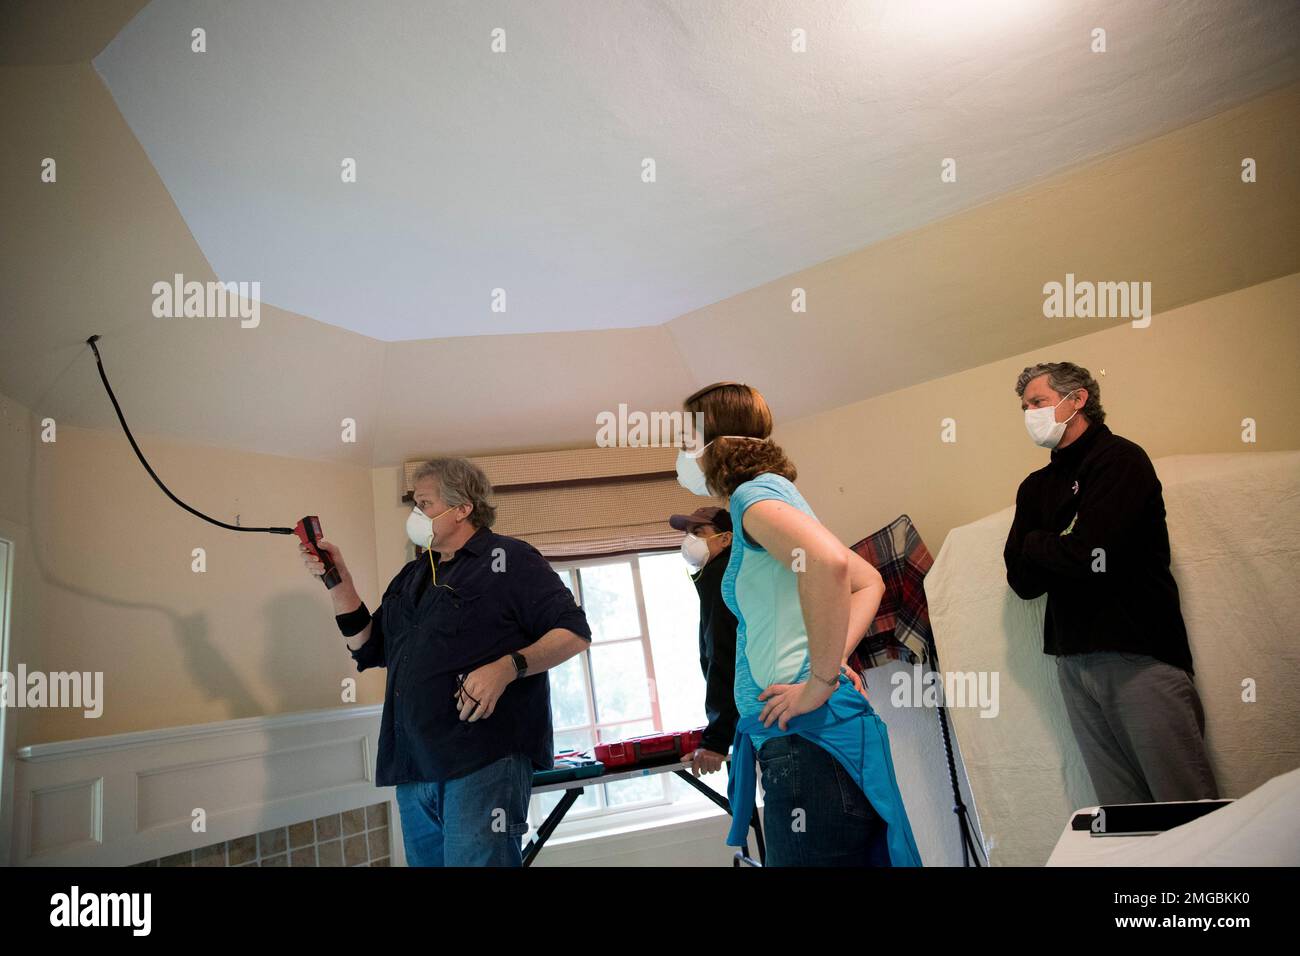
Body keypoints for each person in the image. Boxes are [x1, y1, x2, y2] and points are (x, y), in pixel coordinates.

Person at [299, 457, 591, 865]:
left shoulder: (510, 559)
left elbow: (574, 632)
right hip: (413, 765)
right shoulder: (412, 575)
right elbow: (368, 646)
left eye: (426, 503)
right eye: (414, 504)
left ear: (463, 508)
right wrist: (339, 579)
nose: (417, 514)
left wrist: (508, 667)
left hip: (483, 759)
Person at [677, 382, 922, 866]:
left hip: (807, 744)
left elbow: (828, 563)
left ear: (715, 443)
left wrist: (820, 680)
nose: (682, 454)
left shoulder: (752, 498)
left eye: (687, 438)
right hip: (806, 743)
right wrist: (823, 664)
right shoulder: (774, 496)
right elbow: (866, 581)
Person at [1003, 362, 1218, 804]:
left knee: (1185, 806)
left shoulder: (1120, 460)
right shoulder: (1035, 487)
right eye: (1025, 407)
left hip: (1139, 656)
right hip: (1073, 665)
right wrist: (1059, 542)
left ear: (1077, 399)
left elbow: (1092, 557)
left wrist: (1041, 542)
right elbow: (1023, 581)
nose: (1030, 414)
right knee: (1123, 814)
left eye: (1038, 402)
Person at [669, 506, 740, 778]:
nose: (690, 540)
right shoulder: (729, 573)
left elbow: (723, 656)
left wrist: (715, 742)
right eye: (688, 534)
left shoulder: (720, 575)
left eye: (698, 532)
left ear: (726, 538)